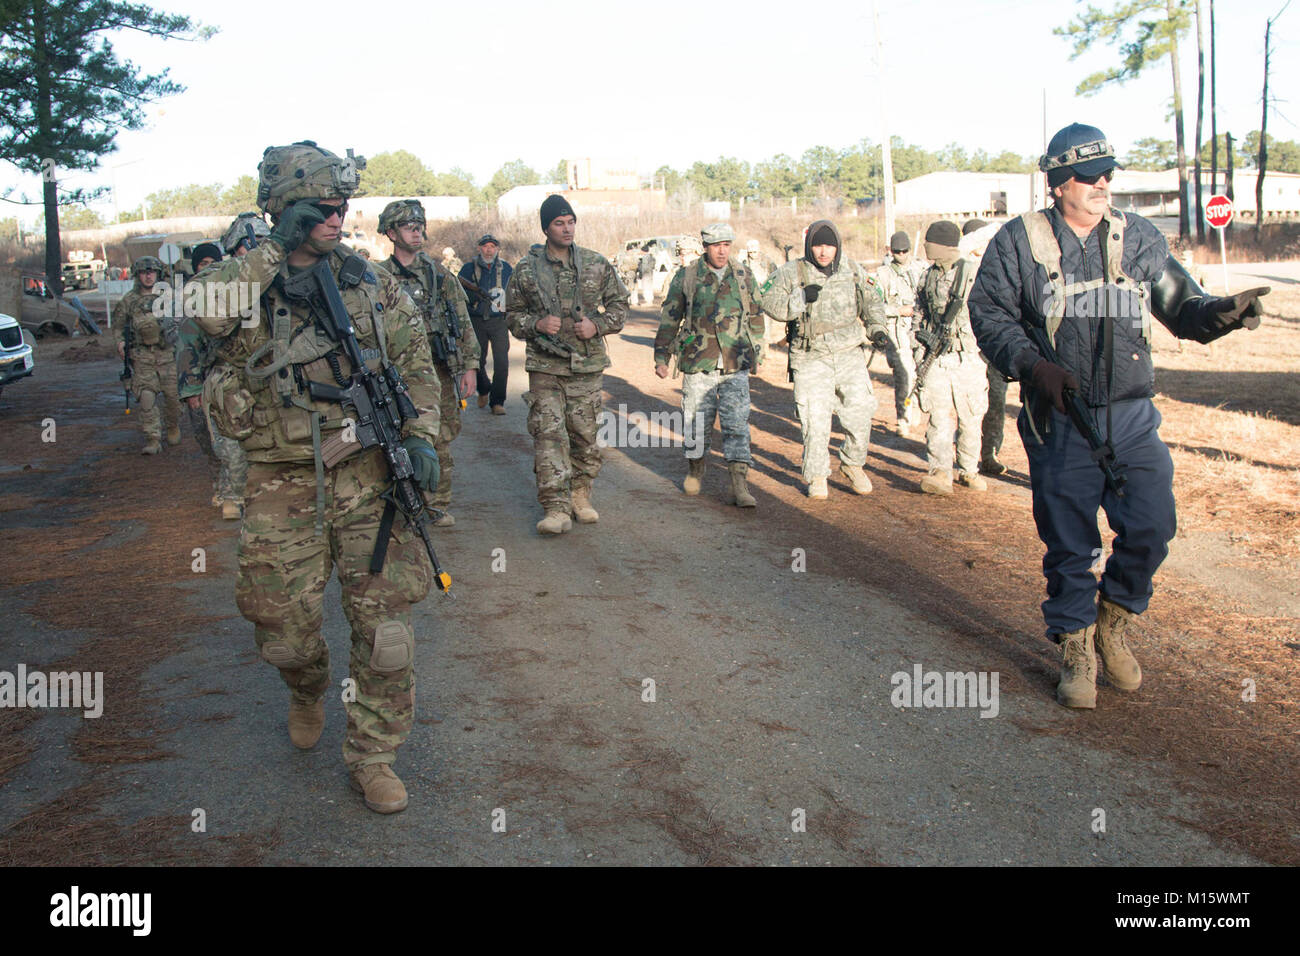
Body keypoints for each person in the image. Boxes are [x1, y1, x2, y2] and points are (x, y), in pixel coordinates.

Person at [969, 122, 1269, 709]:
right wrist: (1033, 367)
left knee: (1153, 525)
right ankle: (1076, 643)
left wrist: (1221, 315)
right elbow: (989, 315)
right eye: (1089, 175)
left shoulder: (1137, 237)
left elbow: (1181, 305)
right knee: (1070, 541)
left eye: (1109, 172)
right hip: (1059, 415)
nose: (1104, 182)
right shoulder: (1018, 242)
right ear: (1058, 183)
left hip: (1131, 414)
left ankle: (1115, 617)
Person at [191, 141, 442, 811]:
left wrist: (419, 435)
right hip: (283, 482)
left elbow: (416, 361)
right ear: (286, 209)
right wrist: (276, 248)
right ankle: (307, 688)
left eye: (343, 207)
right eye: (323, 209)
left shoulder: (369, 280)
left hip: (367, 477)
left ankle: (374, 756)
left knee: (386, 630)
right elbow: (203, 311)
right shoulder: (245, 276)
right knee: (282, 629)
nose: (338, 218)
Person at [505, 194, 628, 534]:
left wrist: (597, 326)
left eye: (571, 221)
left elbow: (620, 306)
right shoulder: (526, 270)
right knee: (548, 436)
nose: (567, 228)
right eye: (559, 223)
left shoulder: (596, 263)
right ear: (546, 227)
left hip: (586, 367)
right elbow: (512, 315)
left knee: (585, 436)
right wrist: (536, 325)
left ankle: (580, 494)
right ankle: (555, 507)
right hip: (545, 368)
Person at [759, 220, 889, 498]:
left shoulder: (853, 270)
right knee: (814, 420)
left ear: (837, 246)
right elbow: (767, 301)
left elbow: (874, 303)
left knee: (861, 412)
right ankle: (817, 475)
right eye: (818, 245)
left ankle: (853, 463)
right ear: (809, 246)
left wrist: (877, 329)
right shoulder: (791, 272)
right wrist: (799, 299)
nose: (823, 251)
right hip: (810, 356)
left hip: (849, 354)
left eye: (829, 245)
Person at [379, 200, 479, 528]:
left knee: (441, 436)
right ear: (391, 233)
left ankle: (436, 503)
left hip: (435, 371)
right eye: (409, 226)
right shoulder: (378, 278)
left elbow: (463, 323)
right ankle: (399, 502)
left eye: (420, 225)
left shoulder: (440, 276)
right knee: (391, 438)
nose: (417, 231)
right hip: (393, 373)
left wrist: (470, 367)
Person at [653, 222, 765, 507]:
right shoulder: (688, 276)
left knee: (737, 424)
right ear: (706, 247)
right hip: (697, 361)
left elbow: (755, 316)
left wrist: (758, 353)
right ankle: (695, 469)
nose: (722, 251)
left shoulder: (742, 274)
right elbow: (670, 317)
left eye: (727, 245)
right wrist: (662, 356)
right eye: (717, 246)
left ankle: (739, 484)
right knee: (695, 423)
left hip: (734, 362)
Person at [913, 221, 990, 495]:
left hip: (968, 356)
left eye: (929, 243)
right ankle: (940, 471)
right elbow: (919, 312)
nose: (925, 248)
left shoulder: (974, 274)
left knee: (971, 416)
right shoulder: (927, 276)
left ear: (943, 245)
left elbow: (991, 313)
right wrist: (919, 343)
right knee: (938, 416)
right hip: (938, 357)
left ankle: (968, 469)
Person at [176, 240, 247, 519]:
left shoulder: (236, 298)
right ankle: (223, 485)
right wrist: (192, 391)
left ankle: (233, 495)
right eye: (203, 265)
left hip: (237, 382)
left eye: (213, 264)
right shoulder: (195, 307)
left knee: (231, 441)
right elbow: (187, 351)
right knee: (211, 443)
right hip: (208, 383)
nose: (209, 270)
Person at [114, 256, 181, 455]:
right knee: (146, 396)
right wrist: (120, 342)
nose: (148, 276)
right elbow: (118, 327)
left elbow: (184, 324)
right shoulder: (129, 301)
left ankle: (173, 426)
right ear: (137, 275)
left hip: (168, 355)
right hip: (142, 356)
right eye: (144, 272)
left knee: (173, 398)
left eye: (152, 271)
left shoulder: (169, 298)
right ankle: (152, 438)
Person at [873, 231, 925, 438]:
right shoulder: (883, 274)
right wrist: (897, 311)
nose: (901, 255)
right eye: (897, 251)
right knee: (904, 376)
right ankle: (903, 417)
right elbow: (875, 306)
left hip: (920, 330)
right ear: (891, 251)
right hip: (897, 332)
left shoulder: (921, 269)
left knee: (922, 373)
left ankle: (917, 409)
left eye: (905, 251)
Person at [459, 234, 512, 415]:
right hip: (477, 320)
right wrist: (475, 297)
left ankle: (497, 402)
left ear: (497, 249)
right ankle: (484, 389)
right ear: (479, 248)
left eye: (492, 246)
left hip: (499, 321)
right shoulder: (467, 269)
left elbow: (513, 291)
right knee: (478, 361)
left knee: (502, 363)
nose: (489, 250)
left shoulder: (506, 269)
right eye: (485, 246)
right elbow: (459, 294)